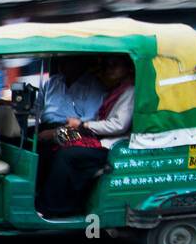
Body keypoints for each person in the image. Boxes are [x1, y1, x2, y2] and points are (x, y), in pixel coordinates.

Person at [37, 54, 135, 218]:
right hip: (89, 132)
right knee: (45, 144)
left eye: (114, 65)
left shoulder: (126, 91)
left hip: (104, 140)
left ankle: (53, 206)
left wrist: (81, 125)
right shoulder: (117, 89)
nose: (109, 69)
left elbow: (117, 125)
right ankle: (42, 193)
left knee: (64, 153)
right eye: (107, 65)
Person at [39, 55, 104, 131]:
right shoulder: (51, 82)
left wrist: (55, 133)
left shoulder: (93, 87)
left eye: (67, 61)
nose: (62, 65)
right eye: (61, 61)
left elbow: (90, 120)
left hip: (75, 130)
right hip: (45, 126)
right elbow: (37, 107)